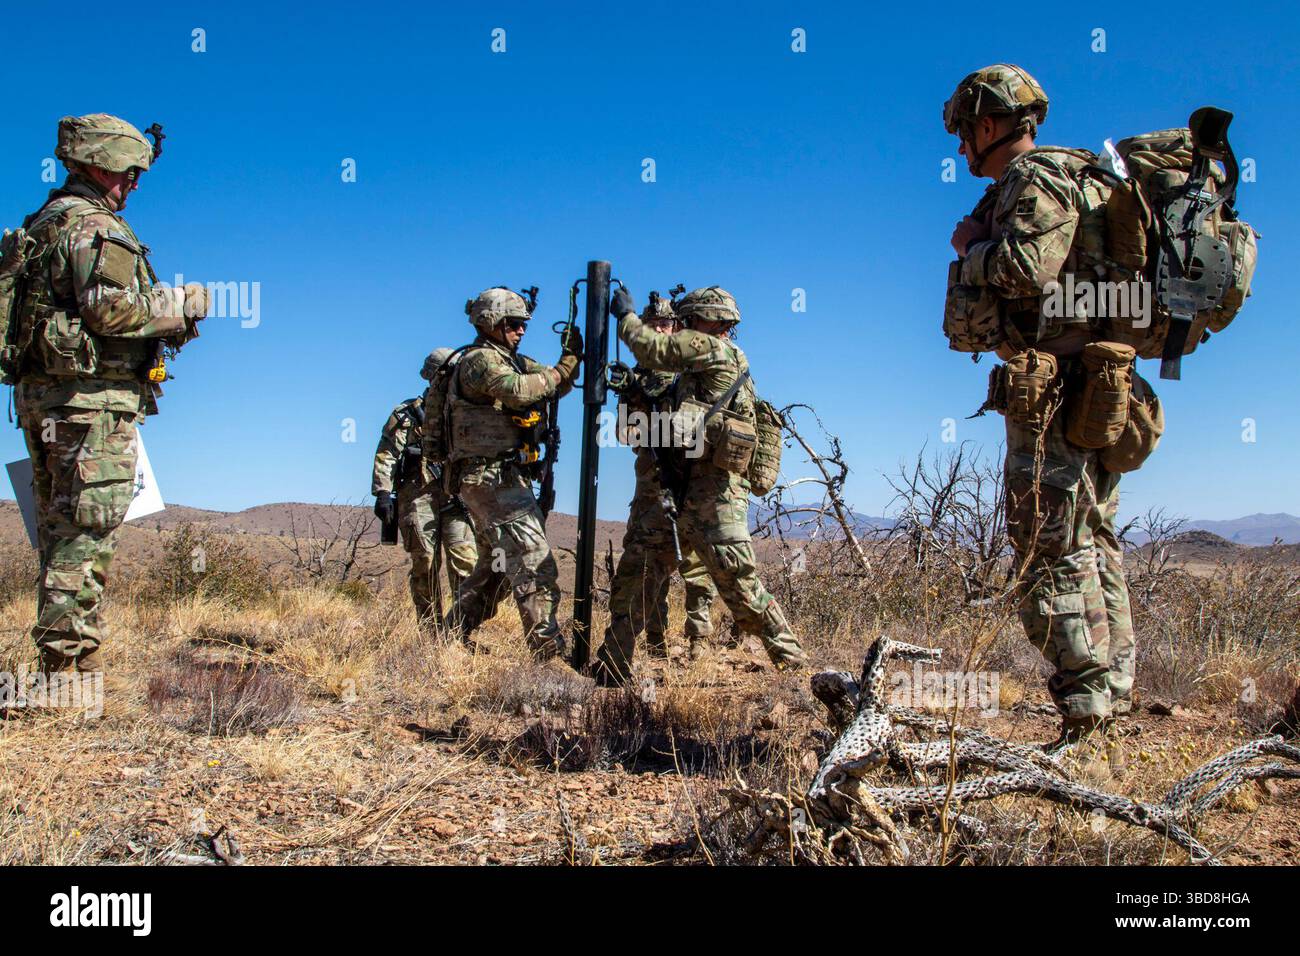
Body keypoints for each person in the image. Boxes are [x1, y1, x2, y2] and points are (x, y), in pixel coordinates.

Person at [942, 65, 1140, 758]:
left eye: (966, 132)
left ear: (989, 125)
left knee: (1045, 553)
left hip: (1057, 393)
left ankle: (1087, 718)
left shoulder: (1035, 178)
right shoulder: (1089, 177)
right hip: (1098, 390)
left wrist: (969, 247)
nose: (963, 147)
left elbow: (1026, 269)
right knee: (1090, 541)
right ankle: (1107, 700)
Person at [9, 114, 208, 679]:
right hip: (89, 404)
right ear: (99, 162)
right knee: (85, 532)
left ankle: (62, 661)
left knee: (61, 528)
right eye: (130, 171)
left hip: (45, 401)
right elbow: (111, 310)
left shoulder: (41, 225)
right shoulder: (96, 229)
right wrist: (183, 305)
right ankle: (65, 674)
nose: (135, 184)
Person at [598, 285, 806, 686]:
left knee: (741, 587)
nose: (682, 327)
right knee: (637, 576)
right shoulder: (690, 375)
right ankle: (612, 667)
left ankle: (796, 669)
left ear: (708, 321)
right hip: (674, 492)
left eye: (689, 320)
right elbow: (655, 428)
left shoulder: (717, 351)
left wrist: (625, 316)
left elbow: (651, 350)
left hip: (716, 495)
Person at [439, 288, 581, 660]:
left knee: (496, 567)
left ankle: (450, 635)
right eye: (514, 324)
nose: (521, 331)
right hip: (489, 478)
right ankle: (548, 656)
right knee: (534, 561)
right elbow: (520, 391)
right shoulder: (481, 361)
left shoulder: (512, 360)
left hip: (502, 477)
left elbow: (556, 385)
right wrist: (562, 366)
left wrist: (572, 356)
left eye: (523, 325)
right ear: (491, 324)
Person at [603, 293, 719, 673]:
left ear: (676, 328)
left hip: (692, 485)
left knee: (698, 568)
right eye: (652, 325)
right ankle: (635, 648)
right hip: (650, 487)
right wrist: (634, 397)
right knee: (644, 567)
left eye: (665, 325)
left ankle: (699, 645)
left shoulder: (690, 373)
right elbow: (624, 434)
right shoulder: (635, 377)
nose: (659, 330)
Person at [372, 349, 478, 626]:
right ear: (433, 376)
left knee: (465, 562)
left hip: (457, 498)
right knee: (425, 563)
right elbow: (387, 454)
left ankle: (461, 630)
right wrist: (383, 493)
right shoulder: (407, 414)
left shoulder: (466, 415)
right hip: (418, 495)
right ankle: (431, 631)